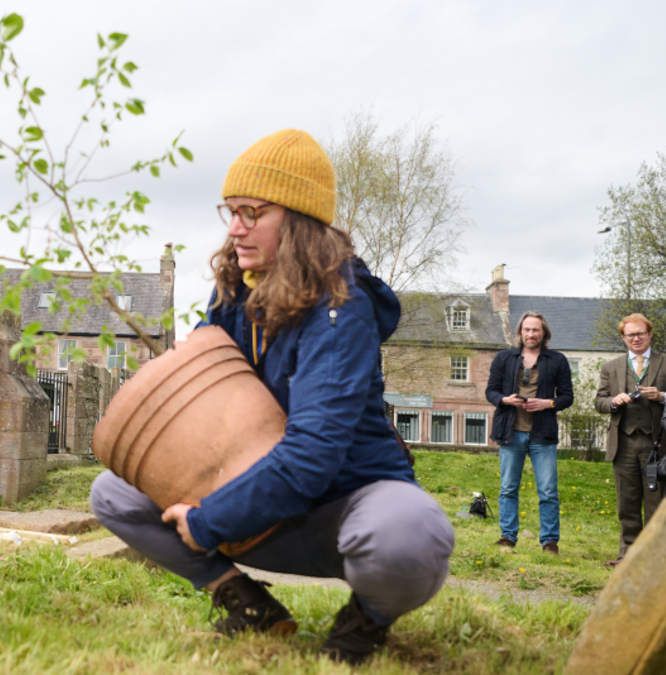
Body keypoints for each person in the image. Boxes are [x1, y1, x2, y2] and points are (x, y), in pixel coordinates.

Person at [90, 129, 454, 665]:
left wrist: (209, 520)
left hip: (341, 512)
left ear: (298, 220)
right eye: (230, 211)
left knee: (410, 531)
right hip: (257, 517)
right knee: (114, 493)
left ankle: (366, 620)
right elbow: (203, 373)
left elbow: (311, 456)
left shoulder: (340, 310)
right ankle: (246, 602)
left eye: (251, 212)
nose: (235, 228)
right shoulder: (234, 294)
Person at [485, 311, 573, 554]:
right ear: (520, 332)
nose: (531, 334)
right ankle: (507, 537)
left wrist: (548, 403)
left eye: (535, 329)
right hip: (510, 432)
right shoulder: (504, 358)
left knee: (547, 491)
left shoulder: (557, 360)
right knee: (508, 487)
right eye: (527, 329)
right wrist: (505, 399)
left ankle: (549, 541)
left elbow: (567, 397)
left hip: (542, 434)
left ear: (543, 332)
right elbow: (490, 391)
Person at [594, 313, 666, 566]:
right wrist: (614, 401)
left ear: (649, 334)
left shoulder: (665, 362)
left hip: (657, 444)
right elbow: (599, 401)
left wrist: (662, 396)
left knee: (656, 503)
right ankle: (628, 555)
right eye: (630, 334)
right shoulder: (610, 367)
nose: (636, 338)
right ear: (623, 337)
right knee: (627, 501)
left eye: (640, 333)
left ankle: (655, 558)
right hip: (623, 443)